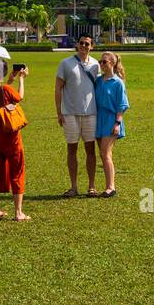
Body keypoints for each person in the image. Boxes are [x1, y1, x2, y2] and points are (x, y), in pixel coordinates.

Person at [0, 63, 30, 221]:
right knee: (17, 171)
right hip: (10, 136)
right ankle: (18, 212)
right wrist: (21, 79)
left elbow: (0, 98)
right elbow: (19, 97)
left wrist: (9, 80)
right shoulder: (5, 89)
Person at [55, 35, 100, 196]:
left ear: (92, 46)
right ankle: (73, 186)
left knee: (90, 150)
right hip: (70, 113)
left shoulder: (96, 64)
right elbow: (58, 88)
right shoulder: (66, 63)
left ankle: (92, 186)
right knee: (72, 149)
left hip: (90, 113)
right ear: (77, 45)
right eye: (81, 43)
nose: (83, 46)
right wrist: (59, 112)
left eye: (86, 44)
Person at [93, 52, 129, 198]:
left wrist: (117, 123)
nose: (101, 64)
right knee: (104, 154)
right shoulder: (98, 80)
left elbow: (122, 105)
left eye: (105, 62)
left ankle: (111, 187)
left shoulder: (117, 83)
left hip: (111, 120)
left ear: (112, 64)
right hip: (98, 119)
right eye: (100, 62)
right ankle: (109, 185)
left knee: (105, 154)